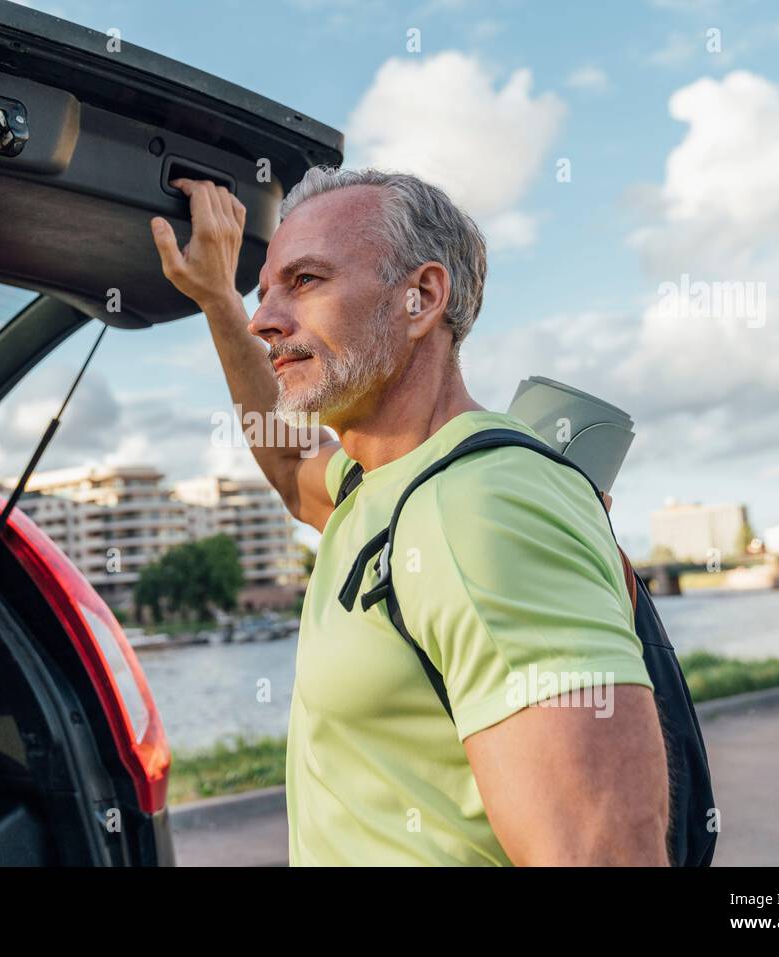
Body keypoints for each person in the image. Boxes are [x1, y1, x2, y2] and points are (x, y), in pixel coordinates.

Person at [150, 168, 669, 866]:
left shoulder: (482, 508)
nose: (264, 318)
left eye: (304, 282)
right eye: (263, 289)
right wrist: (216, 298)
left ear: (420, 298)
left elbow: (604, 857)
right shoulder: (381, 483)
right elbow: (285, 463)